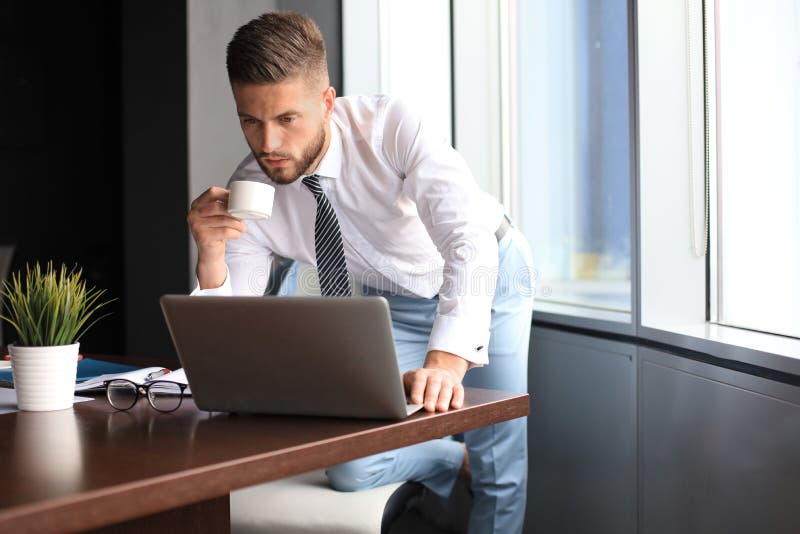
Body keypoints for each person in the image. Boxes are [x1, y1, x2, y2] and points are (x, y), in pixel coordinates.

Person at [187, 11, 534, 534]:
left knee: (497, 458)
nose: (268, 144)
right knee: (352, 464)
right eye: (250, 120)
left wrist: (444, 362)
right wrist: (211, 255)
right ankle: (445, 459)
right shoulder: (252, 193)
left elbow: (469, 242)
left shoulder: (392, 127)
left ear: (326, 102)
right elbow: (231, 331)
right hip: (389, 300)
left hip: (489, 274)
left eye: (286, 119)